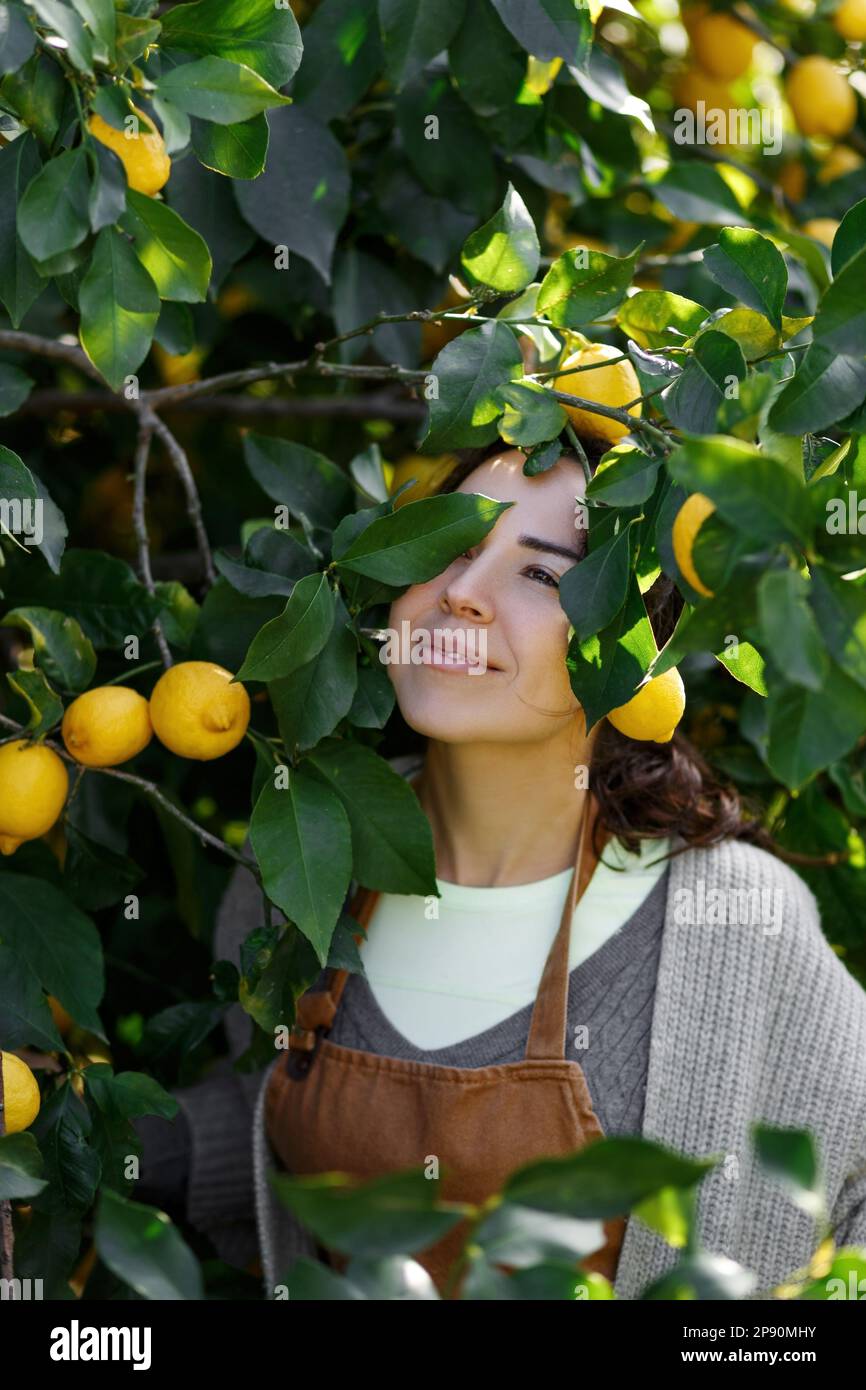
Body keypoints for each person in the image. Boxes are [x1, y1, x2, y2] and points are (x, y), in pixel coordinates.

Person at [135, 445, 866, 1300]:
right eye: (448, 545)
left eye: (543, 578)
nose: (461, 591)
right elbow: (284, 1118)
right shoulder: (299, 858)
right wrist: (86, 1141)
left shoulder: (733, 918)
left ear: (632, 656)